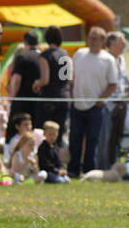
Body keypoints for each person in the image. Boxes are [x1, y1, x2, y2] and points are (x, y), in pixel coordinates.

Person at [68, 27, 118, 176]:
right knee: (74, 138)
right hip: (77, 105)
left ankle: (89, 170)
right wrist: (71, 95)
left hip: (95, 107)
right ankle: (73, 169)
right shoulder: (79, 54)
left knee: (92, 140)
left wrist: (101, 100)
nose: (91, 41)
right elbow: (71, 76)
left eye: (95, 38)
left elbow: (113, 83)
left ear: (102, 41)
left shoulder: (108, 59)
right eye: (90, 37)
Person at [6, 29, 47, 139]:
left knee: (14, 131)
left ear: (25, 42)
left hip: (22, 101)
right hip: (38, 102)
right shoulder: (43, 58)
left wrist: (13, 97)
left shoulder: (22, 57)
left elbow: (16, 79)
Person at [38, 26, 71, 143]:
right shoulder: (65, 54)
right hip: (64, 97)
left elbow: (44, 80)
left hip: (49, 98)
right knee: (59, 134)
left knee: (46, 134)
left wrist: (36, 83)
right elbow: (70, 78)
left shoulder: (45, 56)